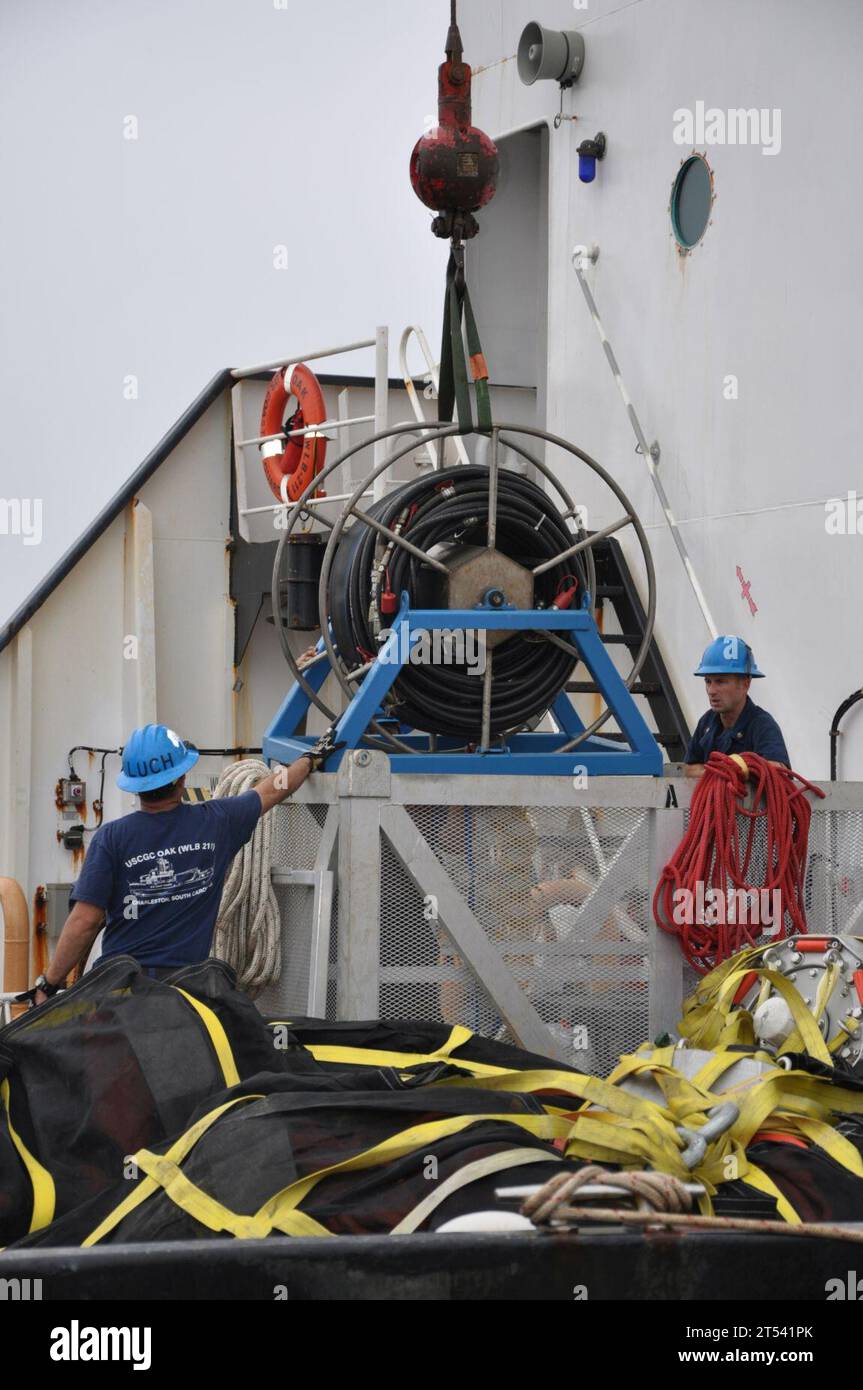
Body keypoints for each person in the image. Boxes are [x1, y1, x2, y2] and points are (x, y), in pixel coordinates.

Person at [26, 722, 336, 1006]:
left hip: (121, 996)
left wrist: (50, 983)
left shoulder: (111, 838)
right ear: (182, 777)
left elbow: (85, 922)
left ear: (134, 785)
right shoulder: (219, 822)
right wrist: (309, 760)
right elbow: (275, 786)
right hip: (185, 997)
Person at [684, 635, 789, 777]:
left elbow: (778, 770)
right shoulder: (706, 722)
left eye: (721, 681)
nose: (711, 691)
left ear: (745, 683)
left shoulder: (762, 725)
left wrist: (735, 770)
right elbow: (690, 767)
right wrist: (720, 775)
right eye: (708, 681)